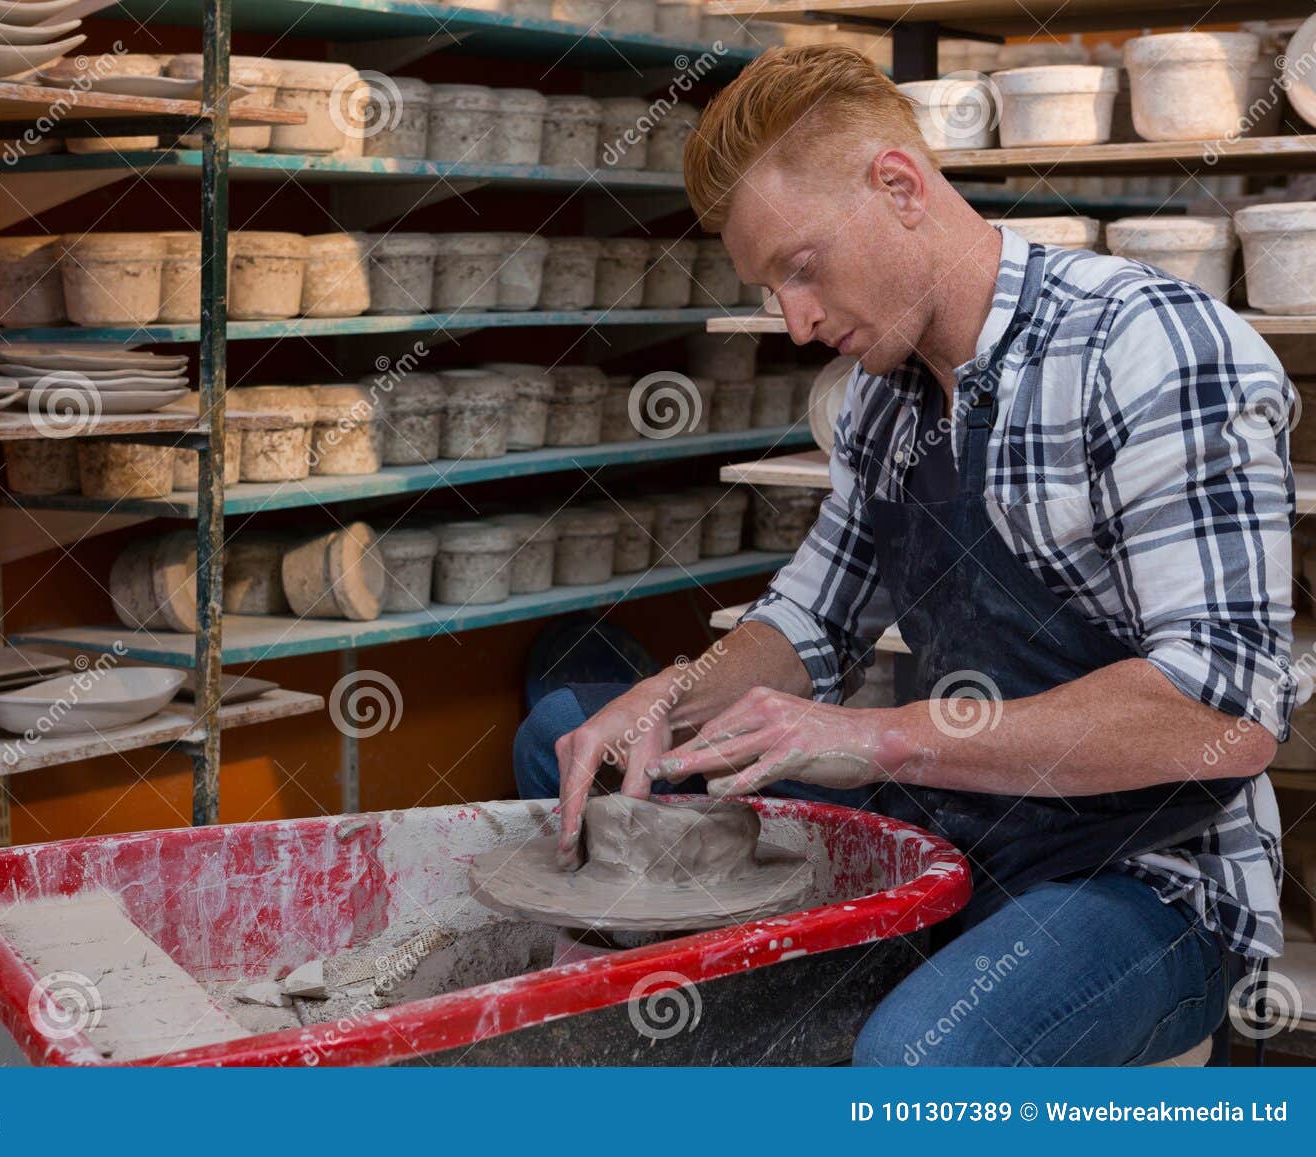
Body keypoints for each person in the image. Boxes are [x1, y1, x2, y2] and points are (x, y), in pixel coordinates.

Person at [512, 46, 1293, 1066]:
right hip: (953, 817)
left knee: (912, 1061)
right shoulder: (885, 391)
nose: (795, 321)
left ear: (898, 184)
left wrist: (878, 737)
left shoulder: (1147, 345)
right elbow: (808, 620)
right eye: (769, 287)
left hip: (1139, 871)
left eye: (801, 267)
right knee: (572, 734)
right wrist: (675, 691)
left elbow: (1223, 716)